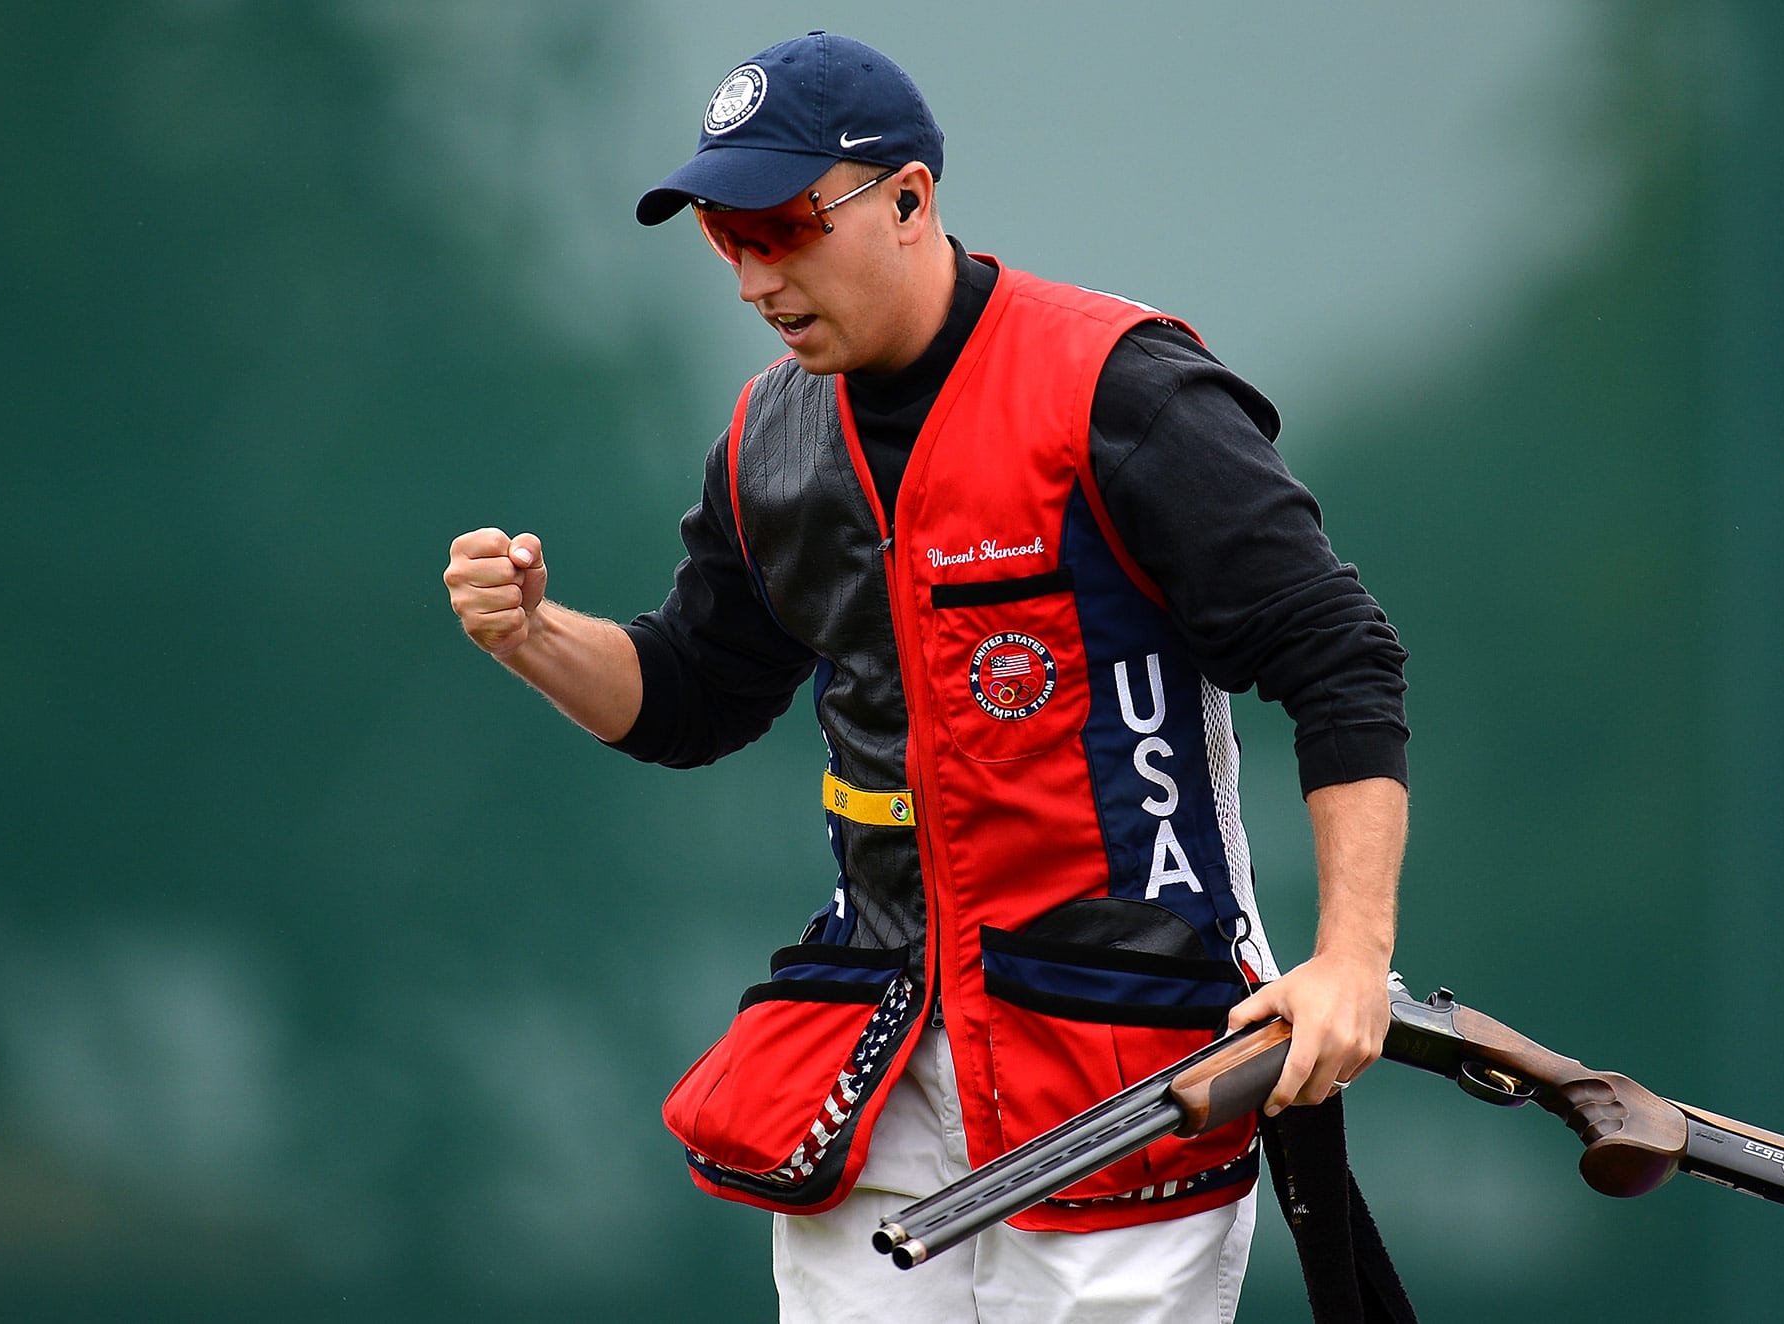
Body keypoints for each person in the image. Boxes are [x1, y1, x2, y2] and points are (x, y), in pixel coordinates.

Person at [444, 32, 1409, 1324]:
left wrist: (1352, 962)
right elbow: (688, 694)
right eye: (727, 239)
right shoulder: (768, 438)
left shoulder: (1117, 387)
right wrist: (531, 635)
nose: (756, 279)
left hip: (1119, 1051)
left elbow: (1339, 658)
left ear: (908, 199)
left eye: (784, 226)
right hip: (872, 1050)